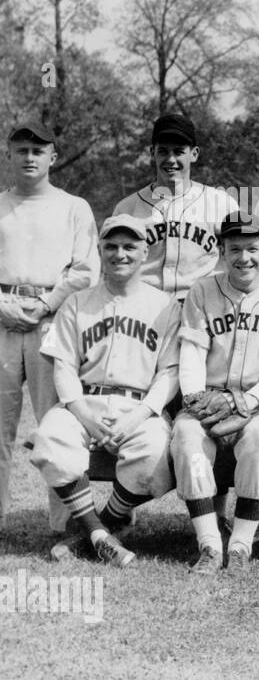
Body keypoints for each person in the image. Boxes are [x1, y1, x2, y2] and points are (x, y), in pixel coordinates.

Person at [31, 215, 180, 565]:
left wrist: (139, 417)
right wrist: (82, 413)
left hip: (139, 407)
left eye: (130, 246)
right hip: (85, 401)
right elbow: (63, 365)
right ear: (99, 250)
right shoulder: (77, 302)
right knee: (51, 438)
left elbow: (170, 372)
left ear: (146, 252)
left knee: (155, 454)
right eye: (111, 246)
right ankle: (100, 534)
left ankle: (99, 529)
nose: (120, 254)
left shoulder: (166, 305)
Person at [170, 215, 259, 574]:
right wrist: (196, 399)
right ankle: (210, 544)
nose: (245, 258)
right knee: (186, 438)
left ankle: (242, 544)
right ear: (221, 251)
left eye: (253, 249)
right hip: (209, 397)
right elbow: (193, 351)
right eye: (235, 250)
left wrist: (246, 401)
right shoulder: (202, 290)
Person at [0, 121, 99, 536]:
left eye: (37, 151)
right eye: (21, 150)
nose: (29, 157)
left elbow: (85, 270)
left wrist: (45, 303)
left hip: (50, 323)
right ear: (9, 155)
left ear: (53, 157)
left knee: (56, 425)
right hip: (2, 318)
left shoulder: (73, 206)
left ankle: (67, 524)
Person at [108, 114, 240, 303]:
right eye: (163, 151)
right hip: (144, 307)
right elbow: (112, 268)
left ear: (194, 154)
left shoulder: (221, 203)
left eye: (178, 152)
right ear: (152, 152)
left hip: (203, 306)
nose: (170, 160)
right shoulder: (127, 208)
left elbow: (241, 256)